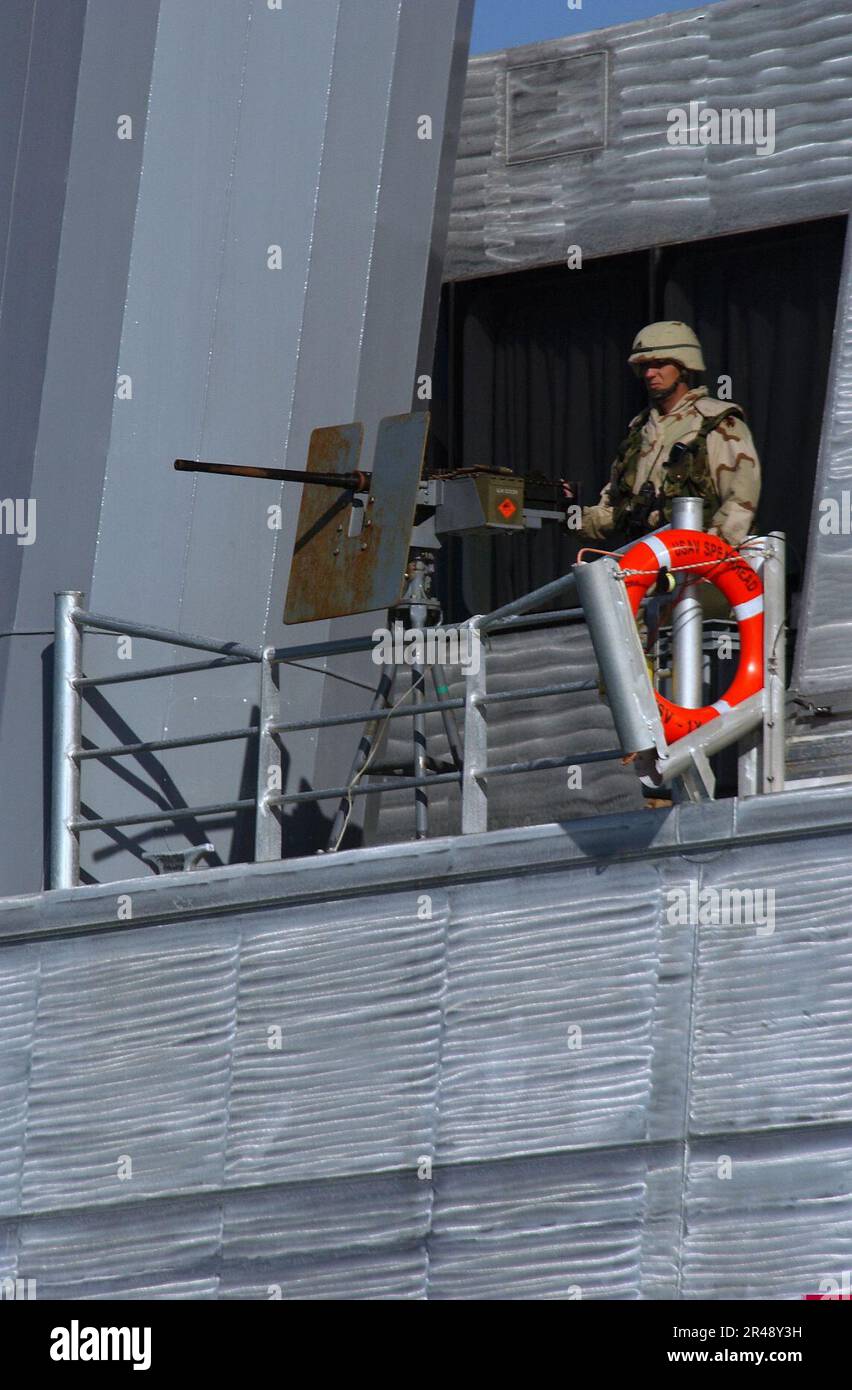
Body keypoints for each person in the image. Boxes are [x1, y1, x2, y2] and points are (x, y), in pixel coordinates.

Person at [565, 321, 760, 548]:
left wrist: (707, 555)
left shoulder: (718, 424)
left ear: (684, 365)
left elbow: (740, 503)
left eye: (660, 364)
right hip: (646, 568)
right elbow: (612, 513)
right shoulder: (640, 431)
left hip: (702, 570)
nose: (649, 373)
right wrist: (567, 512)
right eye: (645, 365)